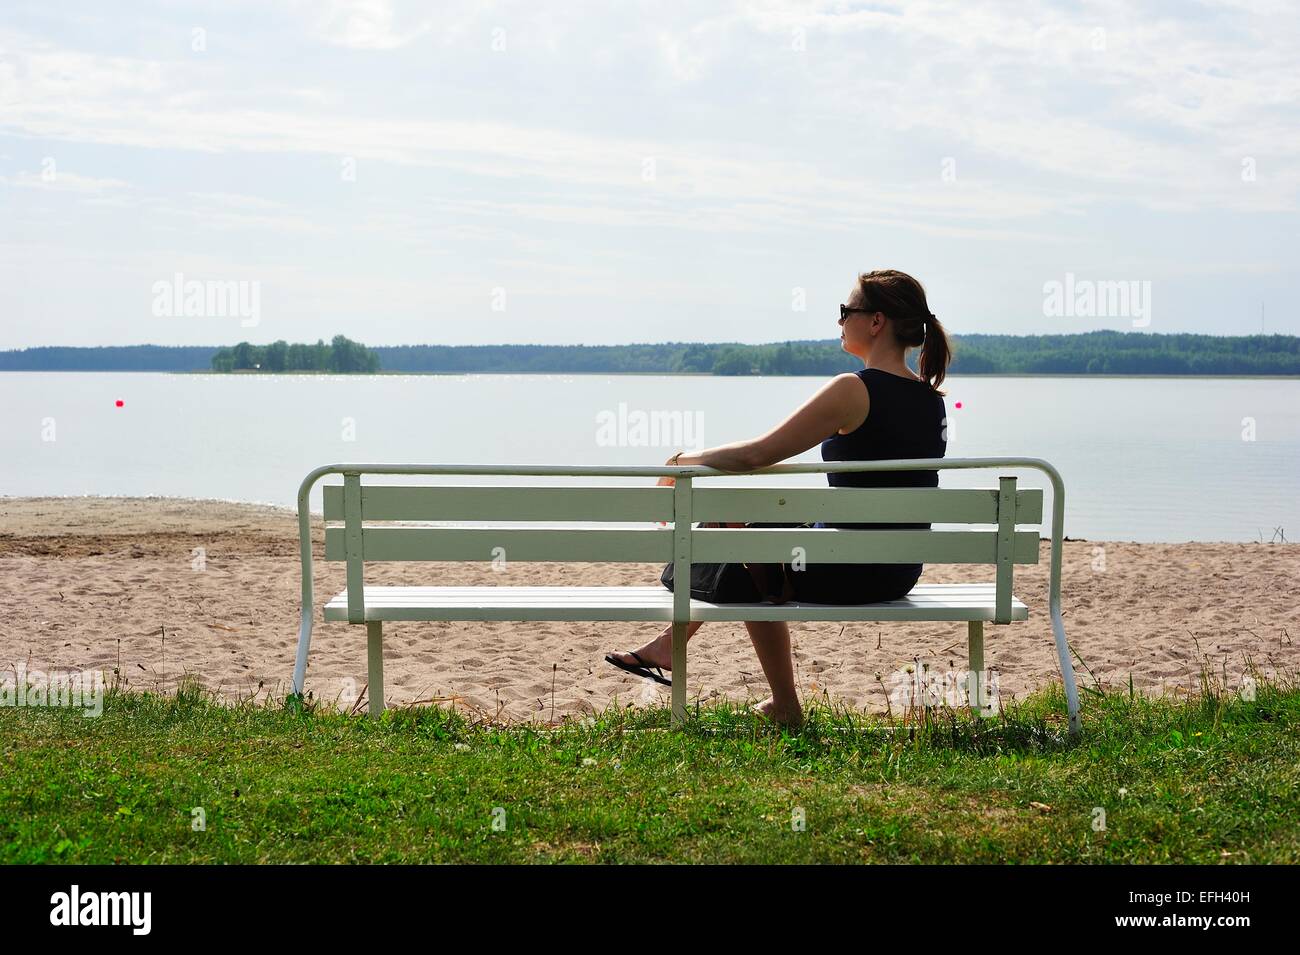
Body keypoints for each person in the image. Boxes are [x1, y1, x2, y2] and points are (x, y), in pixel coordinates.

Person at [605, 269, 952, 728]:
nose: (840, 321)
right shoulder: (932, 401)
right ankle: (678, 650)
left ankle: (779, 702)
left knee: (735, 550)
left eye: (846, 311)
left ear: (876, 322)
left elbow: (759, 453)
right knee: (739, 533)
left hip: (847, 569)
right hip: (897, 570)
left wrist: (682, 459)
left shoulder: (853, 388)